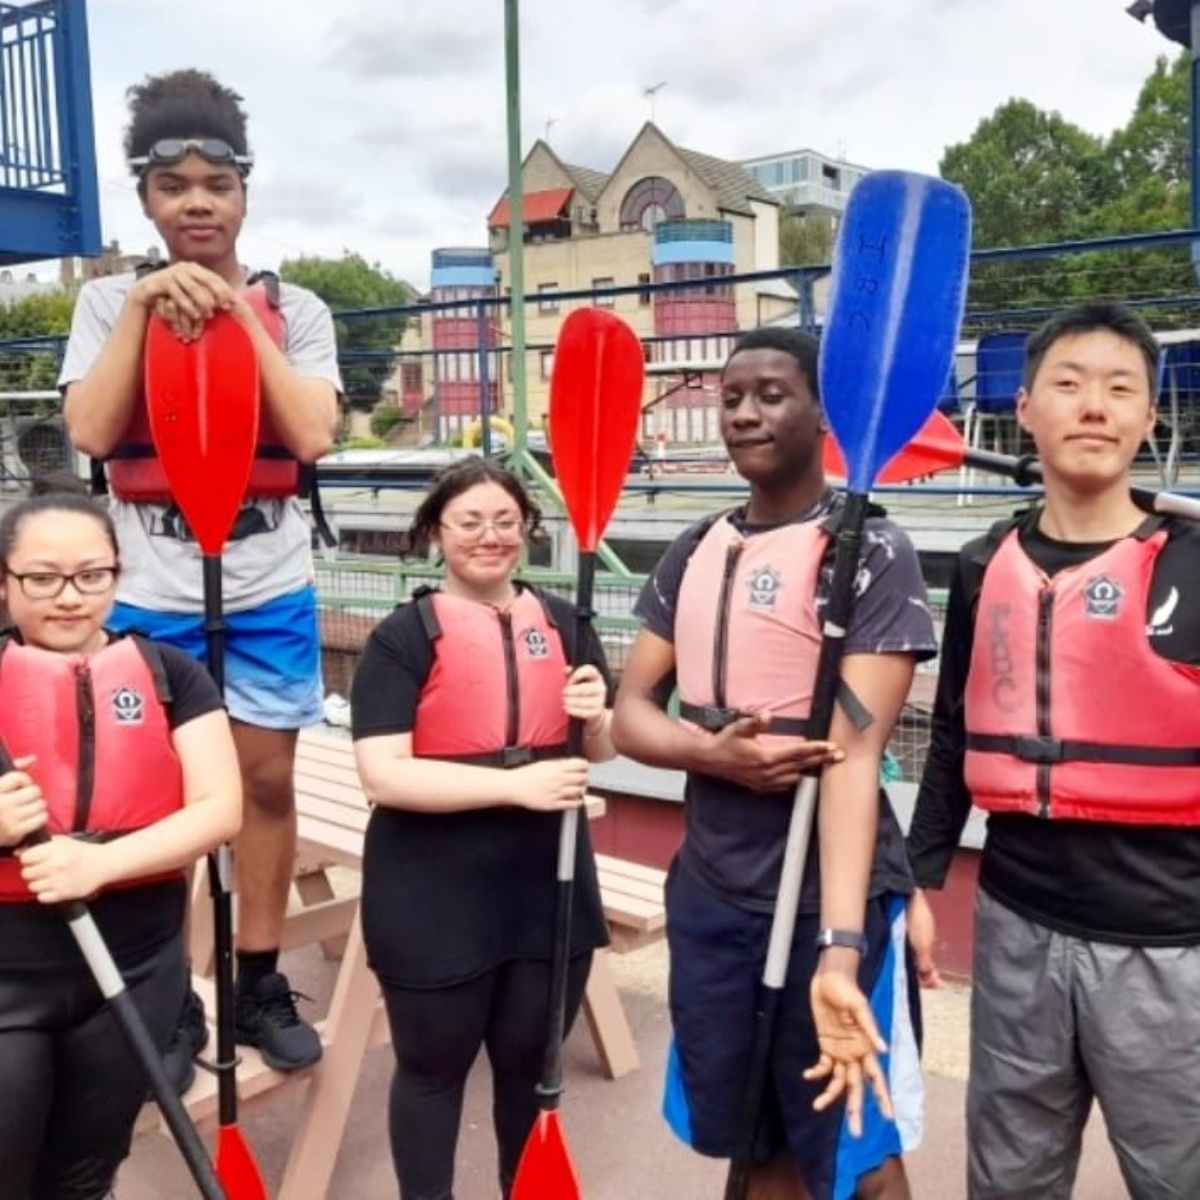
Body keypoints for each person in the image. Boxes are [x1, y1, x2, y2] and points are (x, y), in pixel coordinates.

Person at [60, 69, 341, 1086]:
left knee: (264, 782)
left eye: (215, 184)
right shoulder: (103, 301)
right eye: (173, 185)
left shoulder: (298, 306)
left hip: (264, 572)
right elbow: (91, 430)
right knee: (162, 797)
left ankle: (257, 978)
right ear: (145, 199)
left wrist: (235, 317)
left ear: (244, 193)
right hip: (150, 579)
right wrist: (143, 310)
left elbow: (310, 431)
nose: (196, 203)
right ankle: (172, 994)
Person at [611, 327, 937, 1200]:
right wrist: (708, 753)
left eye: (773, 393)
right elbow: (629, 715)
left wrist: (841, 947)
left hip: (827, 895)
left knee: (855, 1143)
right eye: (732, 398)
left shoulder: (870, 551)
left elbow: (855, 757)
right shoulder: (693, 550)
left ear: (823, 411)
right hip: (716, 888)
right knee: (752, 1145)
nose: (747, 414)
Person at [908, 302, 1200, 1200]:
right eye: (1069, 385)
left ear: (1150, 418)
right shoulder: (981, 560)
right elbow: (953, 727)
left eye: (1122, 389)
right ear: (1026, 407)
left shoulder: (1193, 558)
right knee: (1009, 1181)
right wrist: (918, 882)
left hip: (1173, 940)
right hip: (1017, 925)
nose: (1095, 406)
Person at [350, 457, 616, 1200]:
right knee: (432, 1071)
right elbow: (384, 774)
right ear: (438, 531)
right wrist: (515, 784)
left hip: (547, 880)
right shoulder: (403, 638)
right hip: (432, 886)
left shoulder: (567, 622)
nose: (490, 536)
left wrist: (596, 716)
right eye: (470, 521)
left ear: (526, 530)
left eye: (506, 521)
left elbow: (603, 749)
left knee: (531, 1068)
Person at [0, 490, 241, 1198]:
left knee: (86, 1174)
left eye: (92, 575)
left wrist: (99, 862)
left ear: (116, 574)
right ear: (5, 581)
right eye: (42, 578)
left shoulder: (173, 674)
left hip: (135, 965)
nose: (69, 597)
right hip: (9, 972)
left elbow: (221, 808)